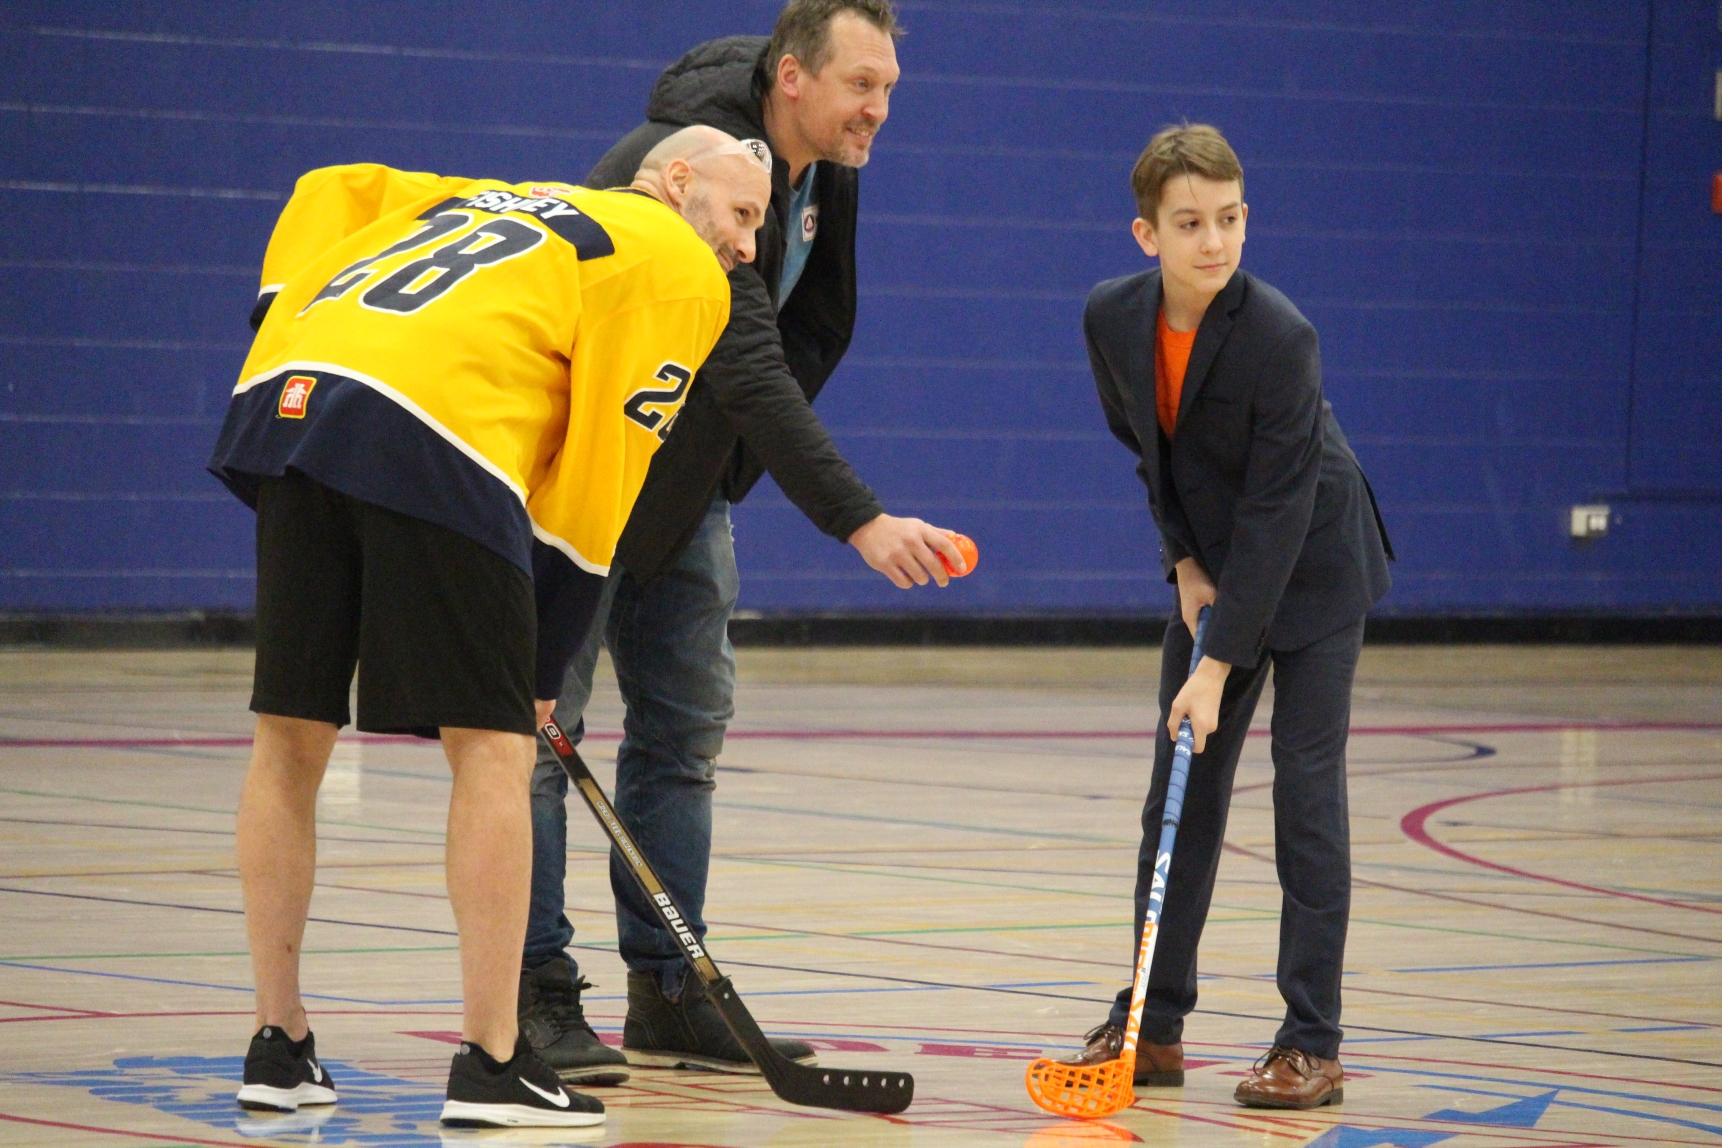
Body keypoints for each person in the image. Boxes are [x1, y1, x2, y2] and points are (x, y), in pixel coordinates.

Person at [206, 126, 773, 1128]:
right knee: (494, 748)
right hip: (437, 426)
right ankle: (494, 1062)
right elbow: (606, 465)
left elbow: (328, 184)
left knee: (289, 735)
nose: (747, 247)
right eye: (740, 214)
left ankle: (277, 1044)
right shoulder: (677, 266)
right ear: (674, 181)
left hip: (293, 399)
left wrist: (280, 315)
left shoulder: (496, 195)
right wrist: (544, 654)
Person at [514, 0, 966, 1084]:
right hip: (580, 478)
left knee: (684, 737)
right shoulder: (683, 166)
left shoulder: (829, 172)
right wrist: (857, 514)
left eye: (891, 88)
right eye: (864, 85)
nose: (880, 109)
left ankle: (672, 991)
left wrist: (725, 462)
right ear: (795, 77)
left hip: (683, 493)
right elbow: (750, 355)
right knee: (539, 739)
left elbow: (817, 330)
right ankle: (531, 991)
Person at [1068, 123, 1393, 1109]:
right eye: (1190, 223)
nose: (1214, 241)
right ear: (1145, 234)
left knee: (1305, 796)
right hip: (1218, 567)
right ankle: (1152, 1025)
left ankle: (1311, 1041)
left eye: (1230, 219)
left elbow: (1280, 505)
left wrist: (1214, 665)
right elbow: (1149, 449)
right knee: (1181, 789)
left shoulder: (1280, 335)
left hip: (1317, 566)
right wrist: (1181, 560)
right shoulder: (1111, 318)